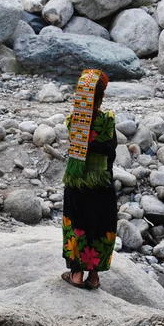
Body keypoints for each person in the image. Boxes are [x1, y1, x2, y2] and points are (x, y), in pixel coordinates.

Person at [62, 68, 117, 290]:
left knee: (77, 223)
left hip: (76, 182)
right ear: (101, 97)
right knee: (99, 224)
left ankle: (76, 274)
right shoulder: (108, 120)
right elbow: (110, 151)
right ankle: (93, 276)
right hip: (101, 183)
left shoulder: (72, 121)